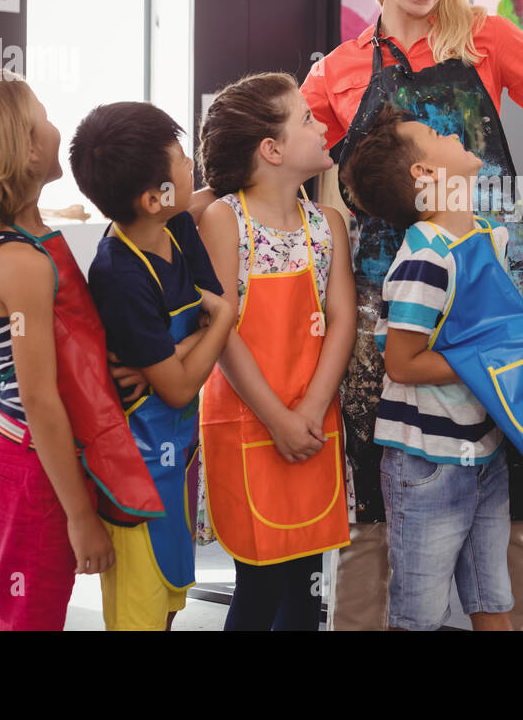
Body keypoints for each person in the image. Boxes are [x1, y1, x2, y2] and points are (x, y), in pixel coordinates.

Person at [299, 0, 523, 630]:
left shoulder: (488, 42)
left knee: (513, 496)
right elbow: (267, 160)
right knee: (375, 507)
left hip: (493, 302)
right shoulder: (338, 71)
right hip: (386, 314)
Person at [339, 105, 523, 630]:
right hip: (427, 466)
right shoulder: (424, 260)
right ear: (423, 174)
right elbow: (401, 363)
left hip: (483, 453)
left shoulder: (485, 234)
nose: (450, 128)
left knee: (494, 601)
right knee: (419, 616)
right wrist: (485, 365)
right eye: (434, 132)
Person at [0, 72, 162, 630]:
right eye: (44, 118)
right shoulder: (19, 263)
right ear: (25, 152)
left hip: (40, 459)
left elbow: (69, 344)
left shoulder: (37, 237)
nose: (57, 127)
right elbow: (41, 399)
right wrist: (80, 517)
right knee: (32, 618)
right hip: (31, 470)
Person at [196, 73, 354, 630]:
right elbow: (223, 334)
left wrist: (308, 412)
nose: (320, 127)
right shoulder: (224, 220)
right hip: (250, 427)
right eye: (308, 120)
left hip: (313, 429)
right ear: (273, 149)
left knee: (308, 590)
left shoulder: (326, 224)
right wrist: (277, 417)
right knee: (260, 587)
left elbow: (342, 321)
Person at [70, 103, 235, 631]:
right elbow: (182, 388)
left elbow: (177, 368)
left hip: (175, 461)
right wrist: (223, 319)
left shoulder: (179, 229)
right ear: (150, 197)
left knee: (165, 602)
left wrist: (162, 364)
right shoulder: (119, 274)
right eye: (183, 162)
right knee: (137, 614)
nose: (193, 169)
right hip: (134, 472)